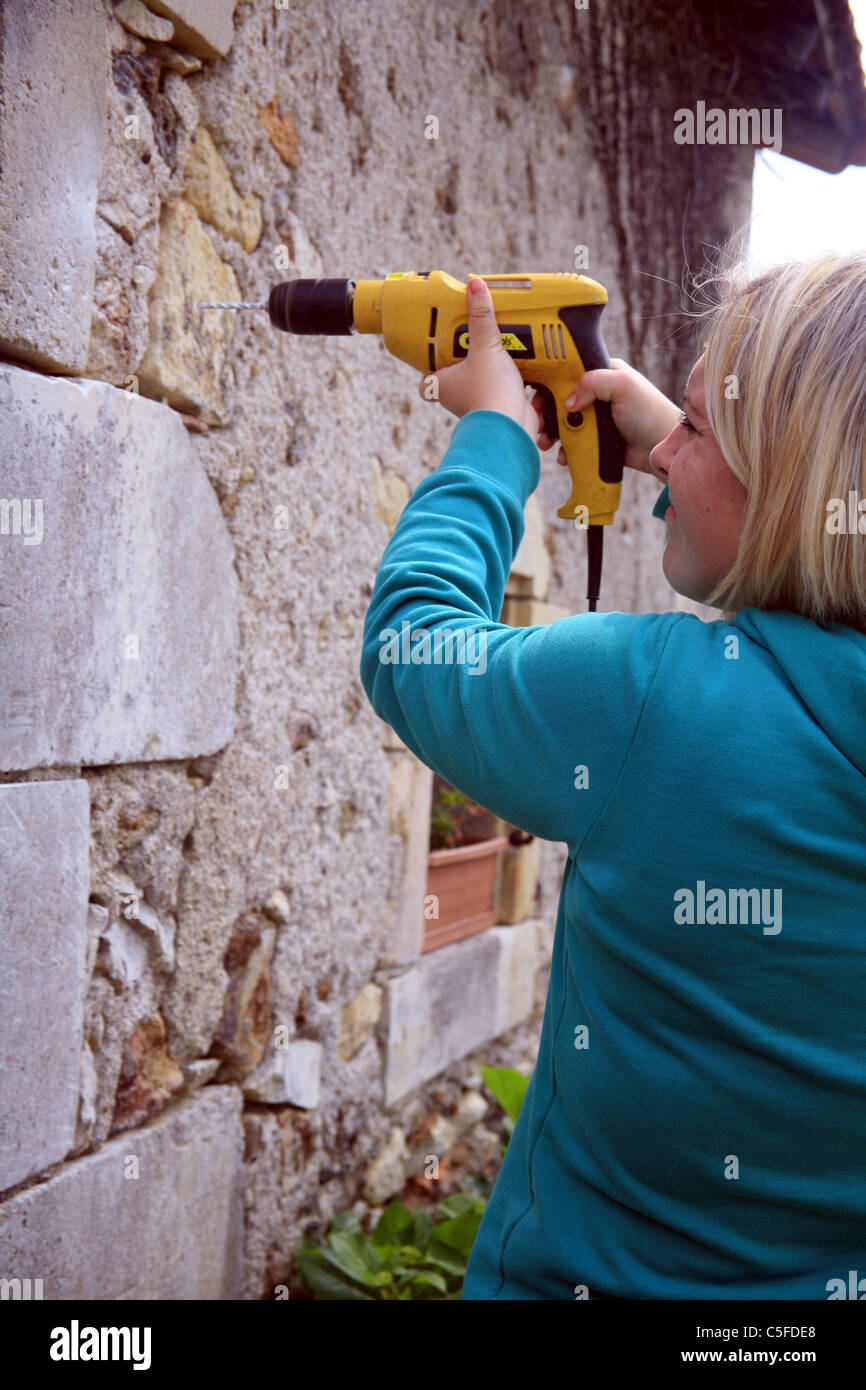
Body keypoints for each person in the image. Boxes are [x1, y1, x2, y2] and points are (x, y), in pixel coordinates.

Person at [359, 255, 866, 1299]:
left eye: (693, 427)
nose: (666, 445)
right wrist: (673, 460)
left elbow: (414, 646)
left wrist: (493, 440)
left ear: (787, 483)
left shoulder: (647, 702)